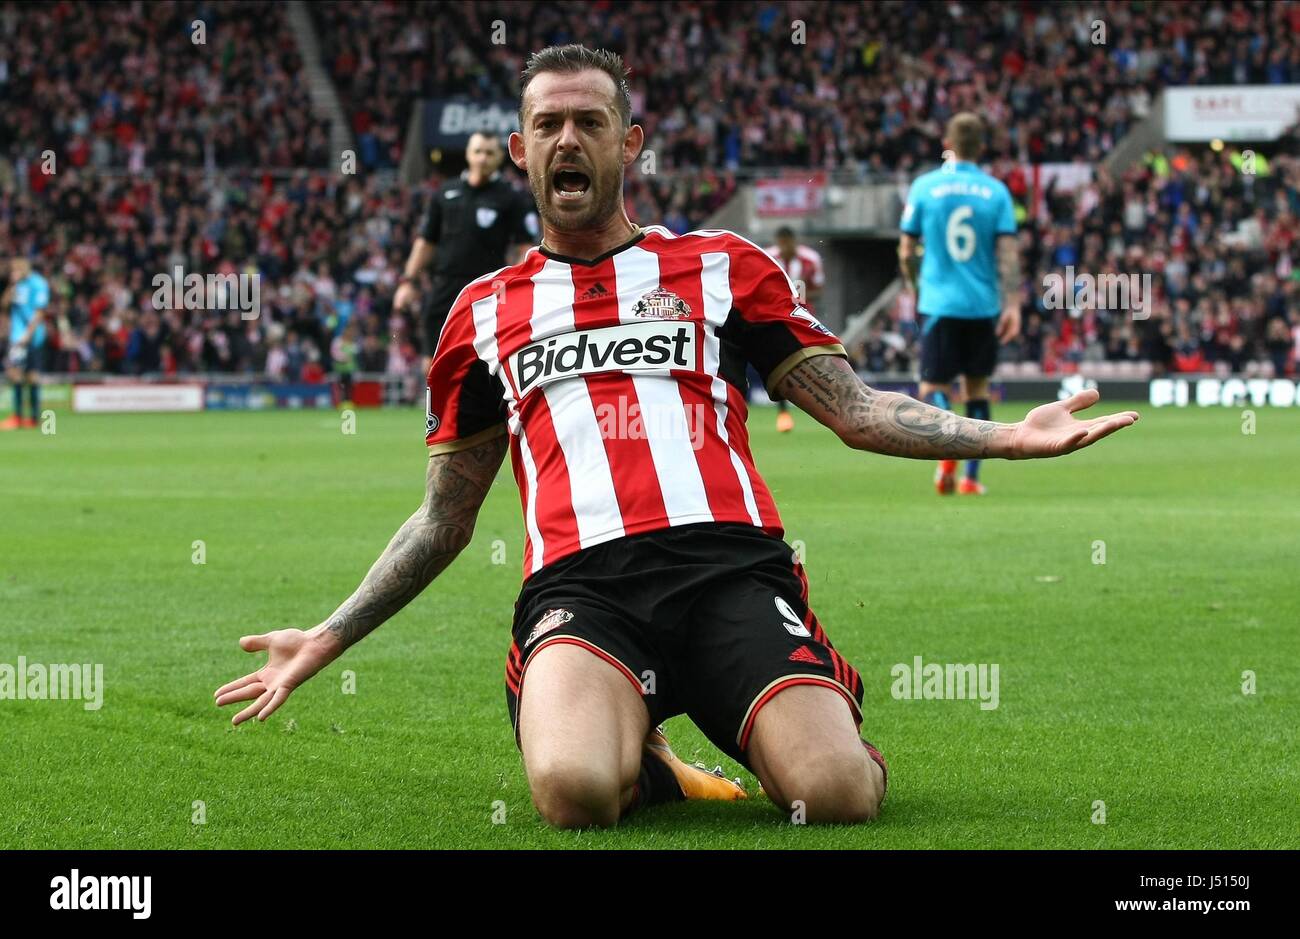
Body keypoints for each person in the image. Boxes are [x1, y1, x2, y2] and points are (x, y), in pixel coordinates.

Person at [216, 45, 1140, 829]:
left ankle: (802, 710)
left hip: (732, 569)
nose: (567, 139)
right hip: (582, 588)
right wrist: (328, 636)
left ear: (631, 143)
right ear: (519, 150)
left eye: (588, 121)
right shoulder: (479, 314)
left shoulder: (722, 267)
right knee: (574, 791)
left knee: (834, 795)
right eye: (547, 125)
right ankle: (652, 756)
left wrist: (1010, 436)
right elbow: (444, 518)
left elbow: (854, 409)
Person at [898, 113, 1022, 495]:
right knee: (978, 389)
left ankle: (945, 453)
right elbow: (1009, 254)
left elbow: (905, 251)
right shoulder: (996, 192)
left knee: (932, 385)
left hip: (939, 303)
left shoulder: (924, 187)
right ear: (981, 147)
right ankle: (970, 478)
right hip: (983, 305)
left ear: (946, 144)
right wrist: (1013, 304)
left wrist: (915, 287)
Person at [393, 132, 539, 376]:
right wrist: (408, 282)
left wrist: (510, 282)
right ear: (468, 155)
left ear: (499, 157)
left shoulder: (510, 198)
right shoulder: (446, 193)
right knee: (434, 360)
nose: (483, 158)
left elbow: (523, 246)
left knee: (487, 361)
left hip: (487, 290)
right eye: (478, 151)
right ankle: (435, 412)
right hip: (445, 286)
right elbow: (426, 242)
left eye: (489, 153)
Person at [765, 226, 824, 432]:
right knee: (776, 363)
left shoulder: (810, 259)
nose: (784, 246)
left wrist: (800, 298)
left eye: (787, 242)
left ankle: (819, 404)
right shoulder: (767, 257)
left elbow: (819, 288)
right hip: (773, 320)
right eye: (781, 242)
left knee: (811, 360)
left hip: (803, 319)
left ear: (793, 241)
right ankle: (783, 412)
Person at [2, 258, 51, 431]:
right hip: (16, 337)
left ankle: (34, 418)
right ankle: (17, 417)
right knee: (15, 374)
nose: (12, 272)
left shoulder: (38, 284)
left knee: (32, 376)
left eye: (15, 269)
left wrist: (28, 335)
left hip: (33, 337)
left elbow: (39, 312)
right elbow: (5, 304)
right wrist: (11, 285)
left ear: (24, 268)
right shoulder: (17, 284)